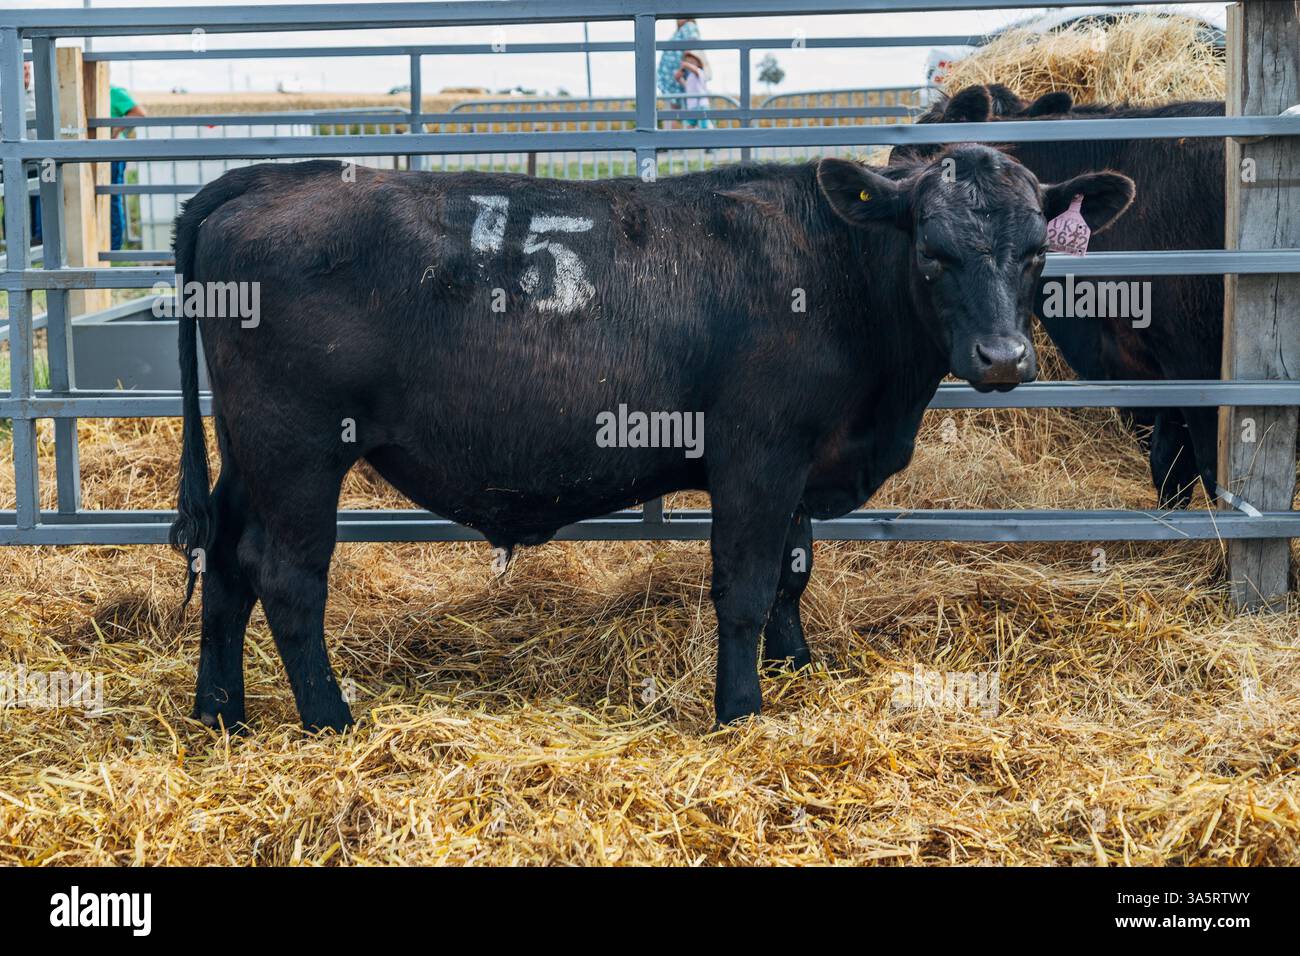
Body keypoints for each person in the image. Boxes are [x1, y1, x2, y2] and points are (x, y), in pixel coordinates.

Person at [109, 86, 145, 250]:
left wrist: (117, 128)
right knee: (105, 196)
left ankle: (115, 245)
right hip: (100, 151)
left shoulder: (113, 91)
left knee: (113, 197)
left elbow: (138, 113)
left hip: (114, 152)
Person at [655, 18, 701, 127]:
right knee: (675, 106)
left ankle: (674, 138)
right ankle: (673, 136)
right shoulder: (681, 30)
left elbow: (690, 46)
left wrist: (683, 69)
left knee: (678, 107)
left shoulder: (689, 26)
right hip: (672, 75)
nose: (678, 19)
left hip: (678, 74)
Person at [679, 51, 712, 129]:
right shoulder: (689, 77)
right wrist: (680, 73)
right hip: (692, 105)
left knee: (704, 126)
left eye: (692, 62)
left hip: (701, 104)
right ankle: (689, 140)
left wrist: (685, 64)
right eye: (688, 62)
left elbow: (694, 69)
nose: (689, 64)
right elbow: (683, 83)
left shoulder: (700, 72)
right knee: (690, 125)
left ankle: (707, 139)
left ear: (699, 64)